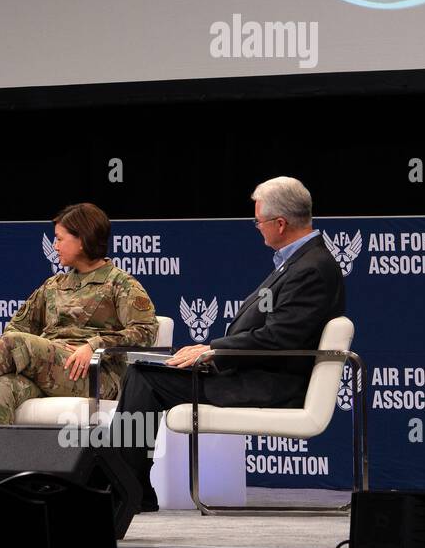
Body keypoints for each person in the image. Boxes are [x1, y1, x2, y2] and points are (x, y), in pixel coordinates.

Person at [110, 176, 345, 513]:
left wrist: (214, 351)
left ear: (280, 223)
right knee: (148, 364)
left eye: (259, 221)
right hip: (252, 369)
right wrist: (211, 350)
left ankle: (124, 489)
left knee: (146, 377)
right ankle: (129, 486)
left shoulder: (311, 268)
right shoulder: (300, 261)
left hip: (271, 383)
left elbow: (280, 339)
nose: (257, 227)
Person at [0, 203, 158, 443]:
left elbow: (146, 332)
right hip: (50, 370)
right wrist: (32, 359)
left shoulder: (119, 283)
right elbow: (16, 328)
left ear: (83, 239)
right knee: (1, 388)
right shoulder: (54, 285)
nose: (54, 246)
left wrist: (94, 344)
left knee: (13, 344)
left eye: (59, 239)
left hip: (92, 375)